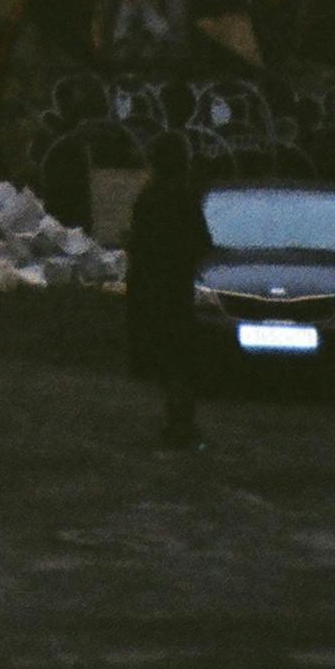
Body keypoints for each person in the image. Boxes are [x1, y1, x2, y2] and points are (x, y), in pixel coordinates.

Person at [126, 133, 211, 448]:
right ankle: (181, 424)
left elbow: (139, 244)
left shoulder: (150, 197)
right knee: (181, 359)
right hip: (178, 288)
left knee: (167, 358)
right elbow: (202, 242)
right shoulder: (185, 197)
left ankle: (177, 423)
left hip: (153, 287)